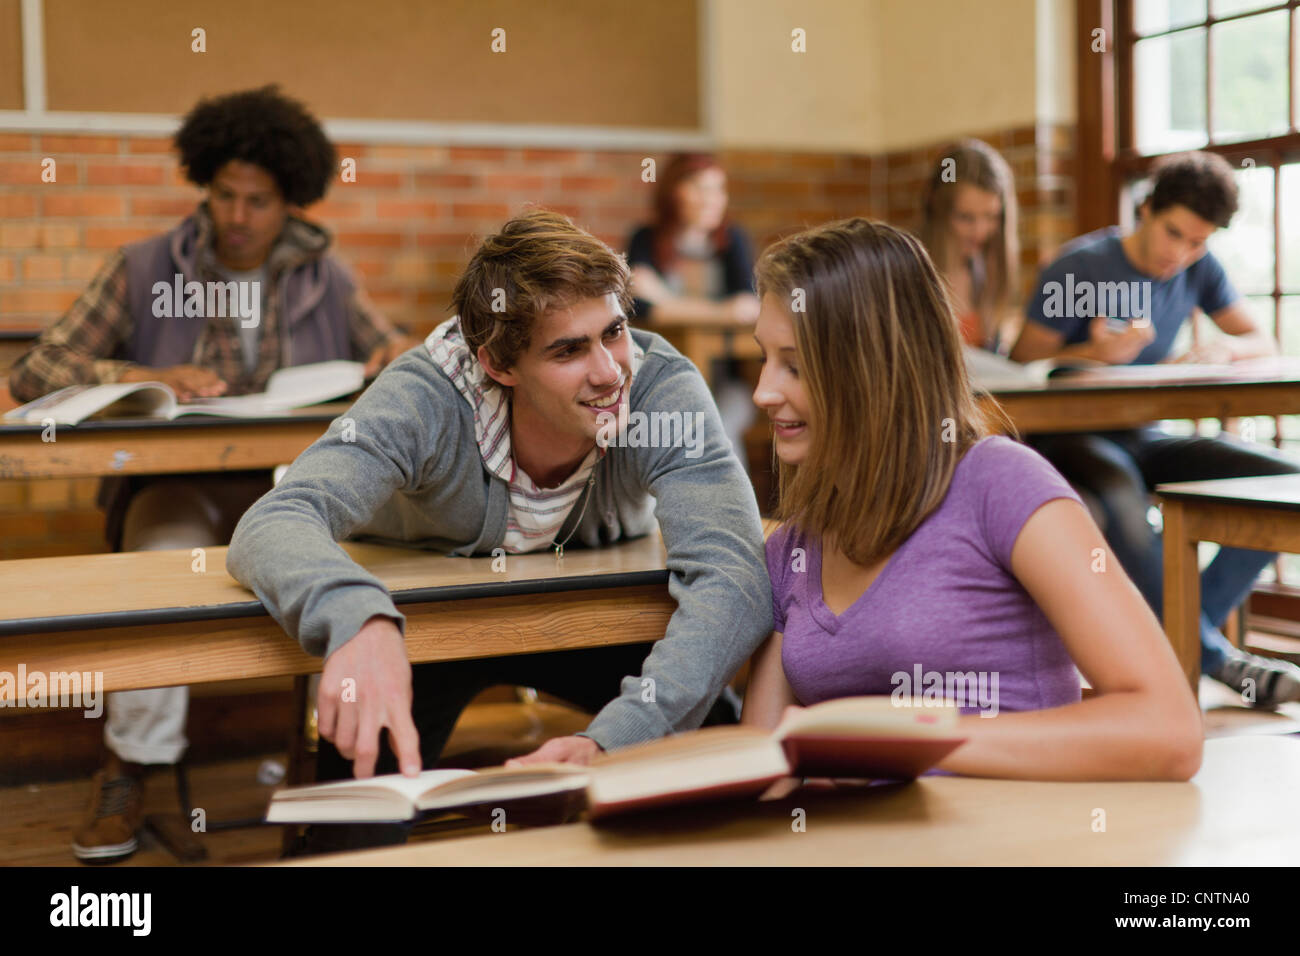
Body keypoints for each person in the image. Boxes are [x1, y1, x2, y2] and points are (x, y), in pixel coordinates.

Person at [225, 209, 772, 854]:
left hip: (586, 616)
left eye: (615, 331)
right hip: (427, 623)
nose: (608, 371)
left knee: (711, 752)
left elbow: (734, 573)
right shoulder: (423, 397)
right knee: (358, 822)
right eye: (568, 350)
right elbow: (274, 520)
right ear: (496, 363)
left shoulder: (658, 386)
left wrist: (614, 740)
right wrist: (357, 618)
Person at [7, 85, 415, 863]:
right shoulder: (143, 265)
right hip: (178, 488)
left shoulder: (326, 275)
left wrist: (392, 357)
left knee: (372, 555)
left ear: (288, 200)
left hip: (291, 490)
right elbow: (36, 369)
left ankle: (343, 764)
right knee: (163, 554)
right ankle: (130, 766)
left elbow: (394, 353)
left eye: (258, 200)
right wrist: (144, 369)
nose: (237, 215)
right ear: (204, 186)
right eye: (224, 194)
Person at [742, 218, 1202, 781]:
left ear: (874, 369)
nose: (764, 391)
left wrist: (912, 740)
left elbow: (1169, 730)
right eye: (764, 358)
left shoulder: (1001, 485)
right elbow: (760, 768)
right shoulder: (795, 544)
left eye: (794, 365)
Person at [1009, 150, 1300, 708]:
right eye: (1174, 234)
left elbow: (1263, 341)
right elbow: (1020, 368)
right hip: (1069, 440)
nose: (1181, 253)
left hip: (1144, 434)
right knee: (1119, 496)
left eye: (1197, 242)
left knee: (1283, 480)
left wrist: (1227, 347)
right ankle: (1215, 658)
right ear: (1145, 209)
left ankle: (1185, 642)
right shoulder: (1078, 267)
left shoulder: (1198, 268)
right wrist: (1094, 353)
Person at [625, 153, 760, 458]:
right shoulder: (646, 239)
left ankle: (727, 504)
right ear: (674, 191)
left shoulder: (732, 241)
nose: (712, 199)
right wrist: (721, 311)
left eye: (718, 189)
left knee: (716, 426)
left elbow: (746, 308)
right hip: (659, 375)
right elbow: (639, 307)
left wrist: (667, 301)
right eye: (700, 188)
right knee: (662, 429)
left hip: (725, 379)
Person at [918, 139, 1019, 352]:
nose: (980, 232)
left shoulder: (985, 272)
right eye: (965, 217)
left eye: (991, 217)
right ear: (938, 210)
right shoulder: (911, 273)